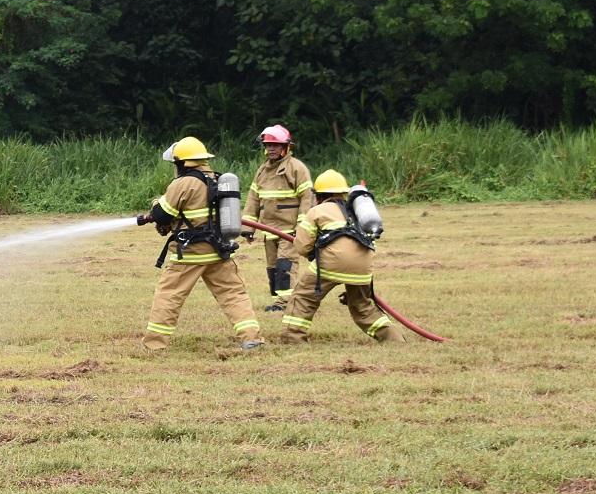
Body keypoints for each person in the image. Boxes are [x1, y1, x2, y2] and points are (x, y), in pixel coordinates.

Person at [137, 137, 264, 352]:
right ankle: (252, 338)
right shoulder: (216, 179)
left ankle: (154, 344)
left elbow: (162, 214)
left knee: (169, 296)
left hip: (190, 253)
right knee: (233, 294)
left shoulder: (183, 183)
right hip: (218, 250)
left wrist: (155, 206)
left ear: (182, 163)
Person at [278, 169, 404, 344]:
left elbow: (302, 245)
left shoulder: (317, 211)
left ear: (319, 195)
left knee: (303, 298)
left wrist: (312, 254)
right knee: (363, 306)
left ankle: (292, 339)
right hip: (363, 266)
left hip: (331, 263)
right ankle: (393, 339)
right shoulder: (357, 211)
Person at [241, 124, 313, 311]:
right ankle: (279, 301)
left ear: (286, 147)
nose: (271, 149)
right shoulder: (262, 171)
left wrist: (302, 226)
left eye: (276, 145)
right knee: (273, 268)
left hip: (289, 230)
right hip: (269, 230)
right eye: (268, 145)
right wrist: (249, 227)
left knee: (285, 266)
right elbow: (253, 199)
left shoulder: (297, 168)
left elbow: (307, 198)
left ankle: (285, 303)